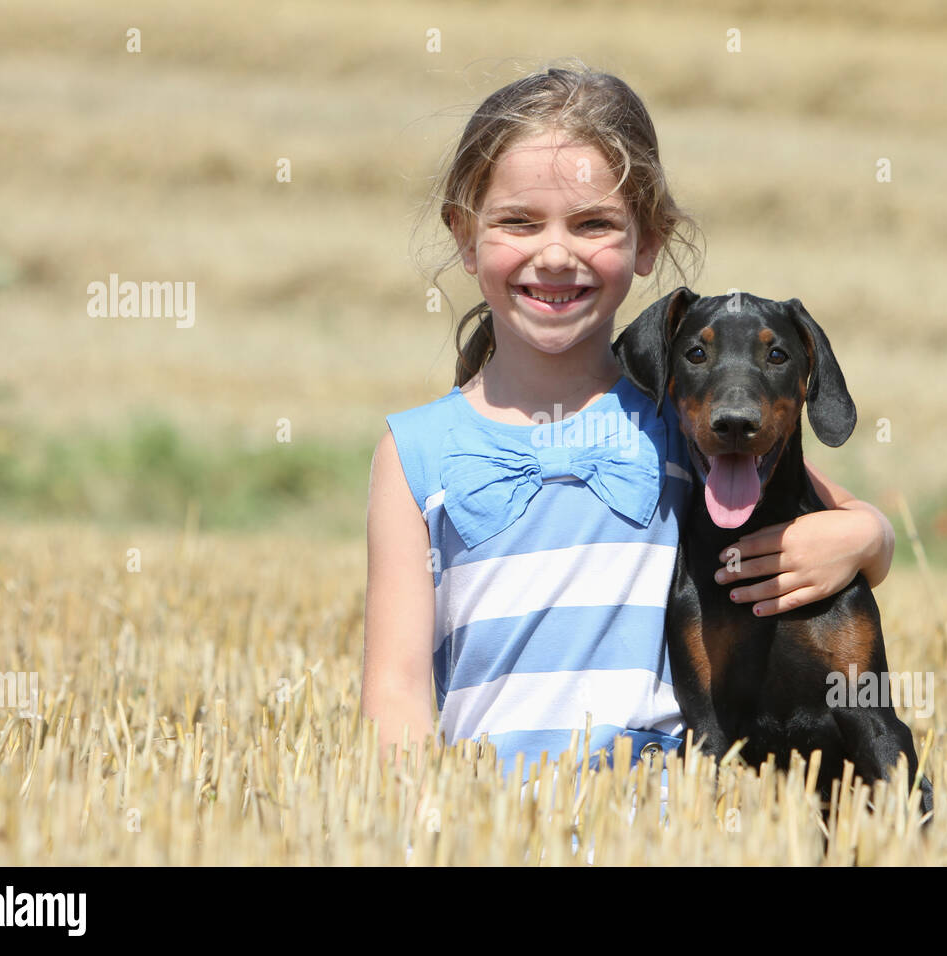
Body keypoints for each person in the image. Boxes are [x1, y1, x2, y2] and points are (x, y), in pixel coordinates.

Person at [361, 64, 896, 789]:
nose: (555, 253)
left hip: (664, 831)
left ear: (648, 241)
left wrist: (868, 537)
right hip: (484, 824)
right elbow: (394, 689)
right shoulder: (413, 453)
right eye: (519, 221)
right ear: (464, 232)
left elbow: (845, 522)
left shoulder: (685, 422)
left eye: (593, 224)